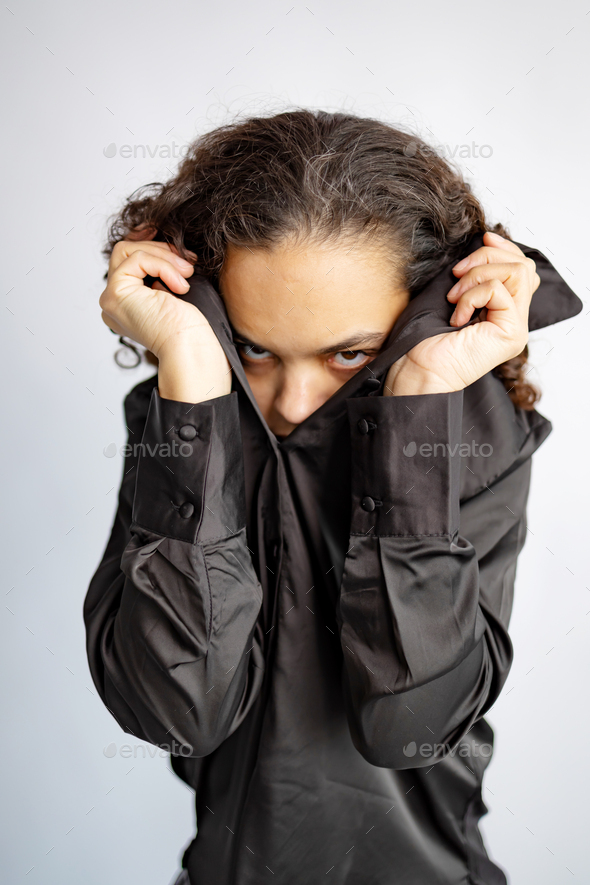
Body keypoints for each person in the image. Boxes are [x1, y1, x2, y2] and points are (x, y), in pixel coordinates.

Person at [84, 110, 582, 885]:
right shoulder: (186, 412)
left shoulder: (472, 433)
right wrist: (189, 378)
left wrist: (416, 412)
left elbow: (413, 725)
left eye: (349, 353)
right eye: (253, 347)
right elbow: (177, 711)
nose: (294, 400)